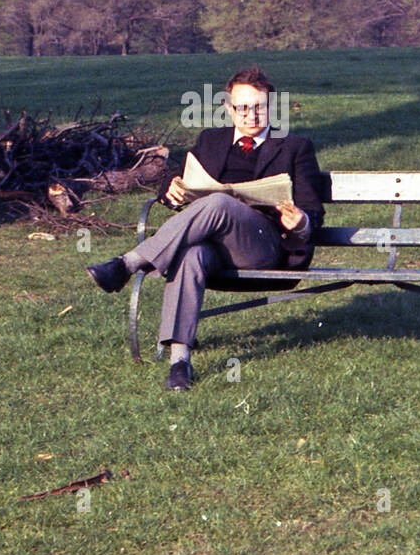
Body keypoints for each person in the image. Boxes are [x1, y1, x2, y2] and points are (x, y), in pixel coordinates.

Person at [85, 66, 326, 391]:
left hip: (264, 247)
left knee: (219, 203)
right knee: (192, 255)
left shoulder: (295, 146)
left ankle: (127, 263)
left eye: (260, 107)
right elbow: (180, 178)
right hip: (215, 248)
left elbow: (313, 211)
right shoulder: (211, 141)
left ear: (271, 107)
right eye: (243, 108)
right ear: (229, 108)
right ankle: (179, 364)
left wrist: (301, 221)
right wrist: (170, 190)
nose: (251, 115)